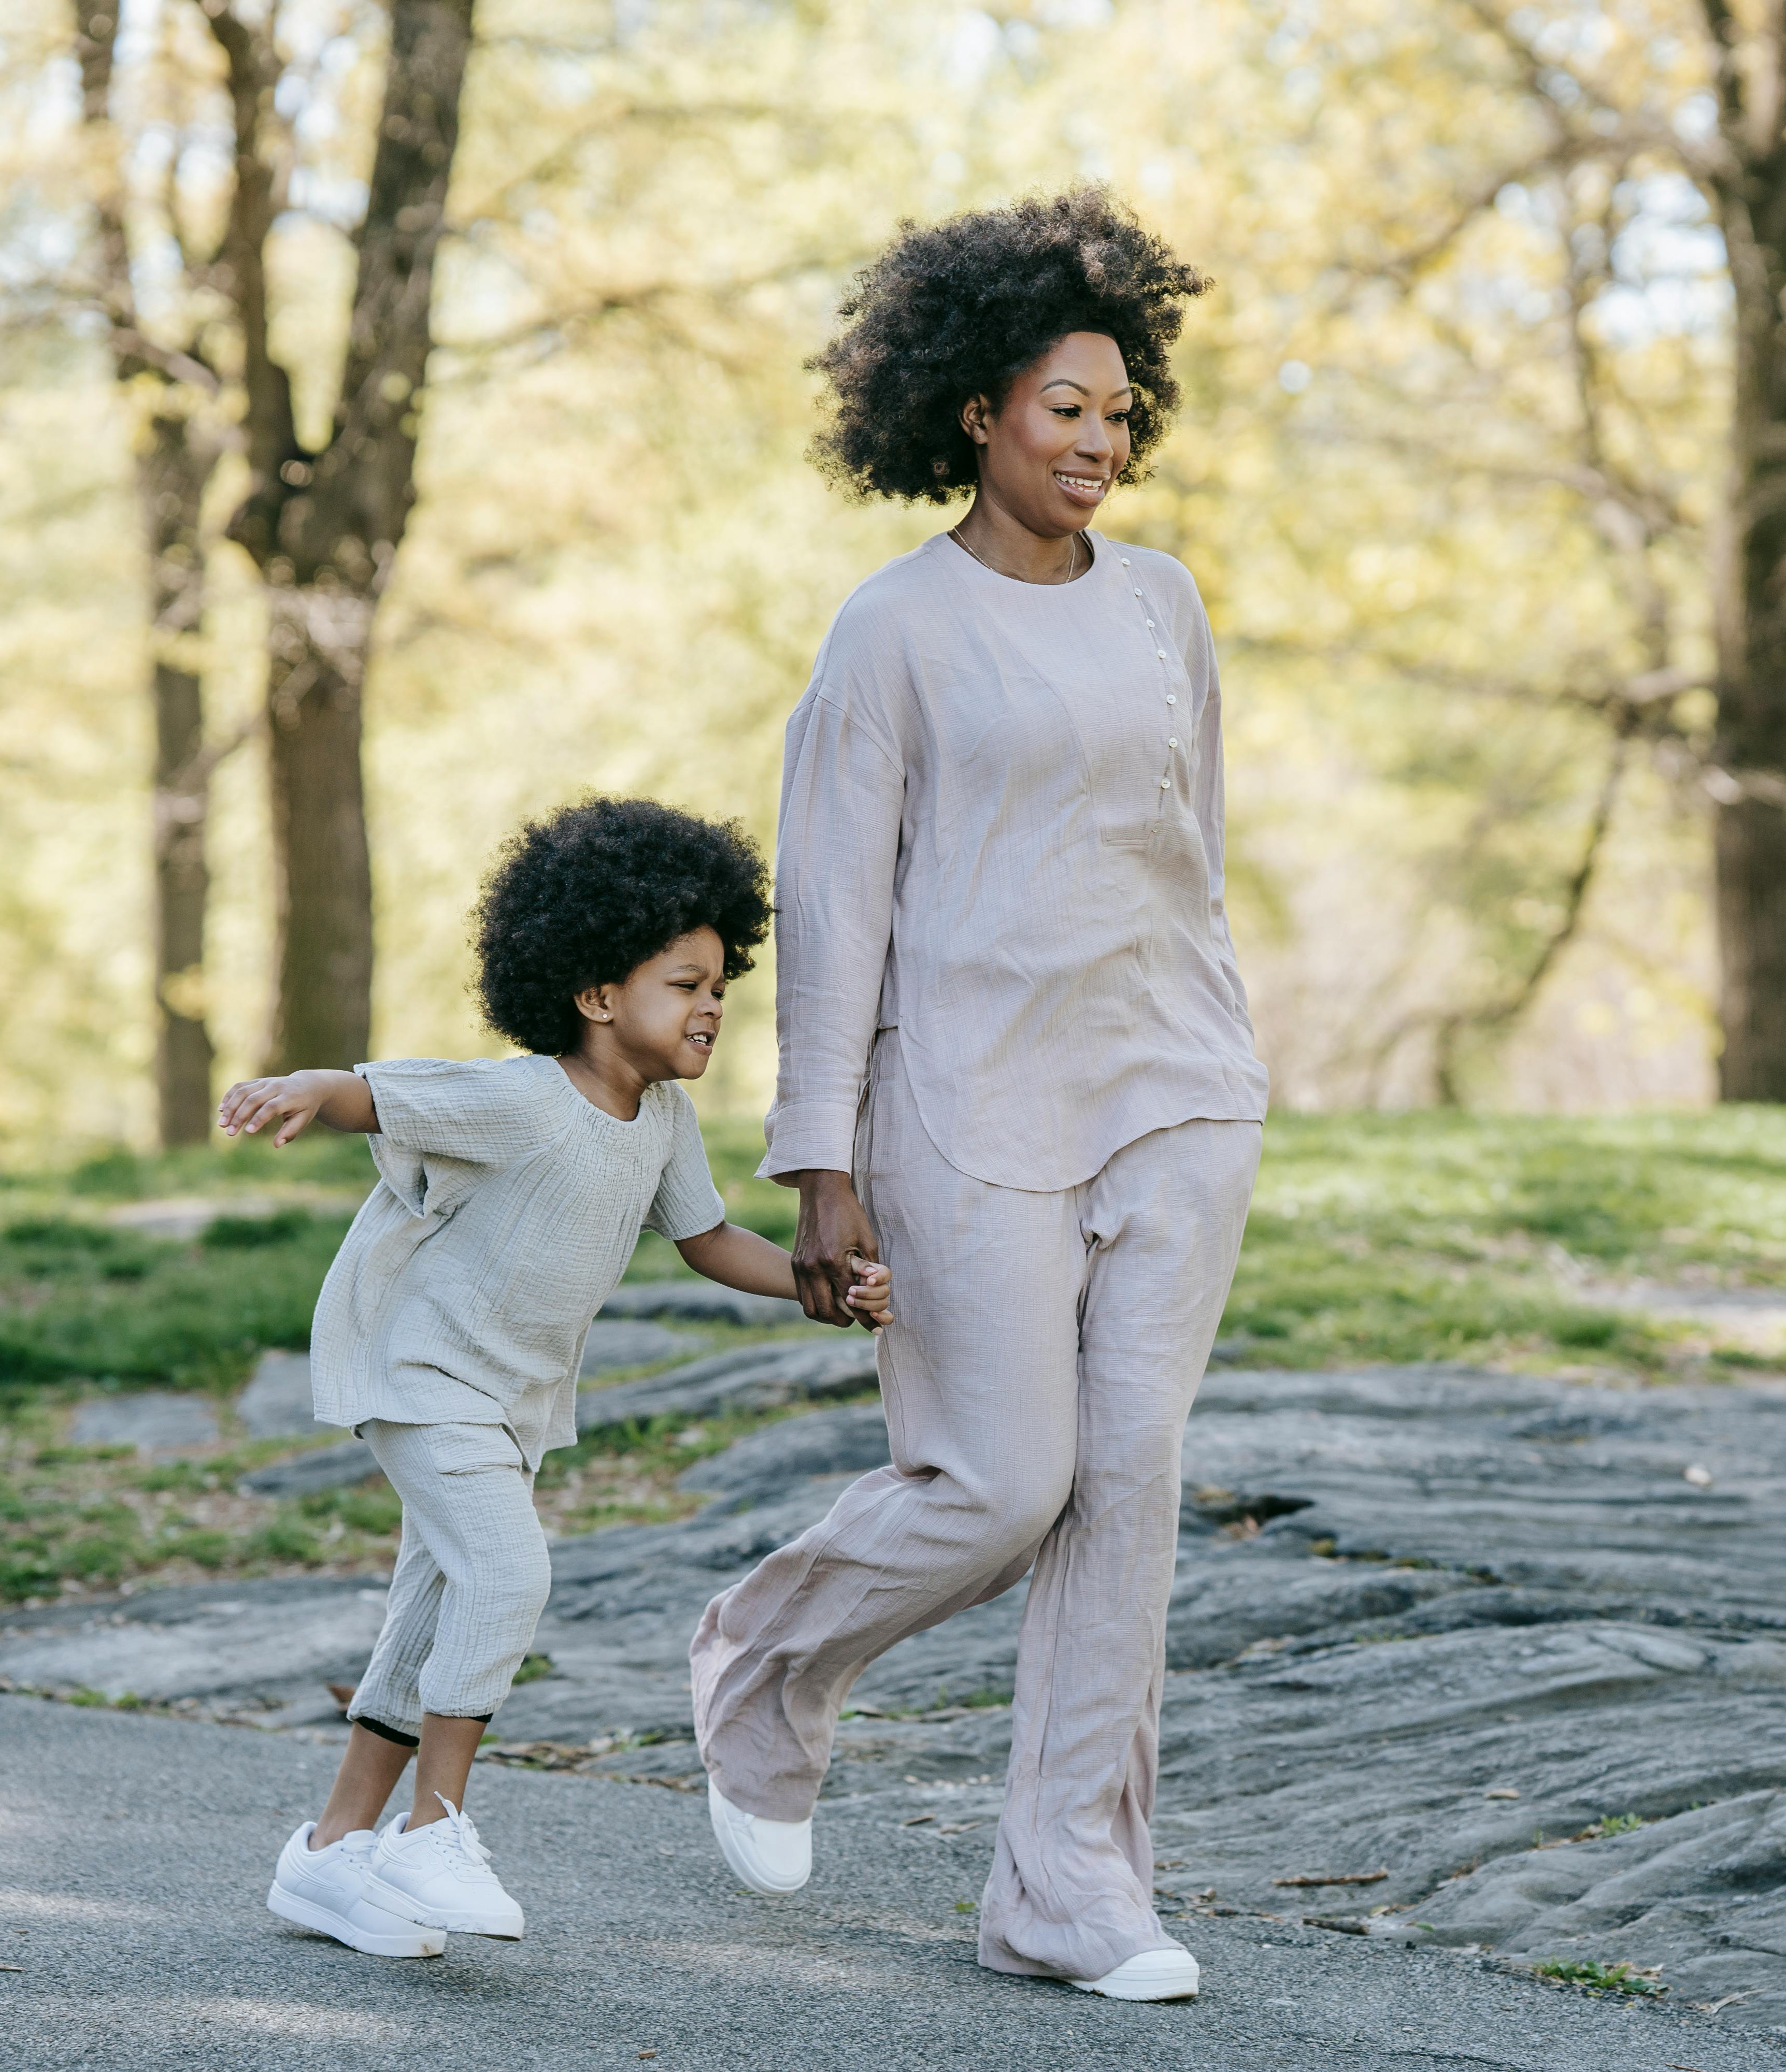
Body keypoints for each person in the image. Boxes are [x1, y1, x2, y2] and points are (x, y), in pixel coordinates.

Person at [687, 189, 1268, 2004]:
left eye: (1119, 413)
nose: (1097, 442)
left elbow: (1195, 851)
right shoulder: (894, 632)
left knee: (1129, 1488)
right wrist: (821, 1161)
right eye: (1061, 409)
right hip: (961, 1105)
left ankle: (1071, 1886)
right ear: (973, 412)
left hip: (1174, 1088)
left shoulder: (1166, 607)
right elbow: (834, 904)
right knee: (1005, 1481)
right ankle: (766, 1660)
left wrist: (1228, 1048)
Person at [218, 798, 893, 1958]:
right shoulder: (528, 1098)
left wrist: (812, 1283)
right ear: (596, 995)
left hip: (508, 1401)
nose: (713, 1006)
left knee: (432, 1609)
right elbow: (386, 1090)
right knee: (506, 1572)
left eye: (721, 985)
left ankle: (329, 1854)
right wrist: (308, 1086)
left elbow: (706, 1239)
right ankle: (434, 1830)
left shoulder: (664, 1117)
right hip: (423, 1375)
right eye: (684, 984)